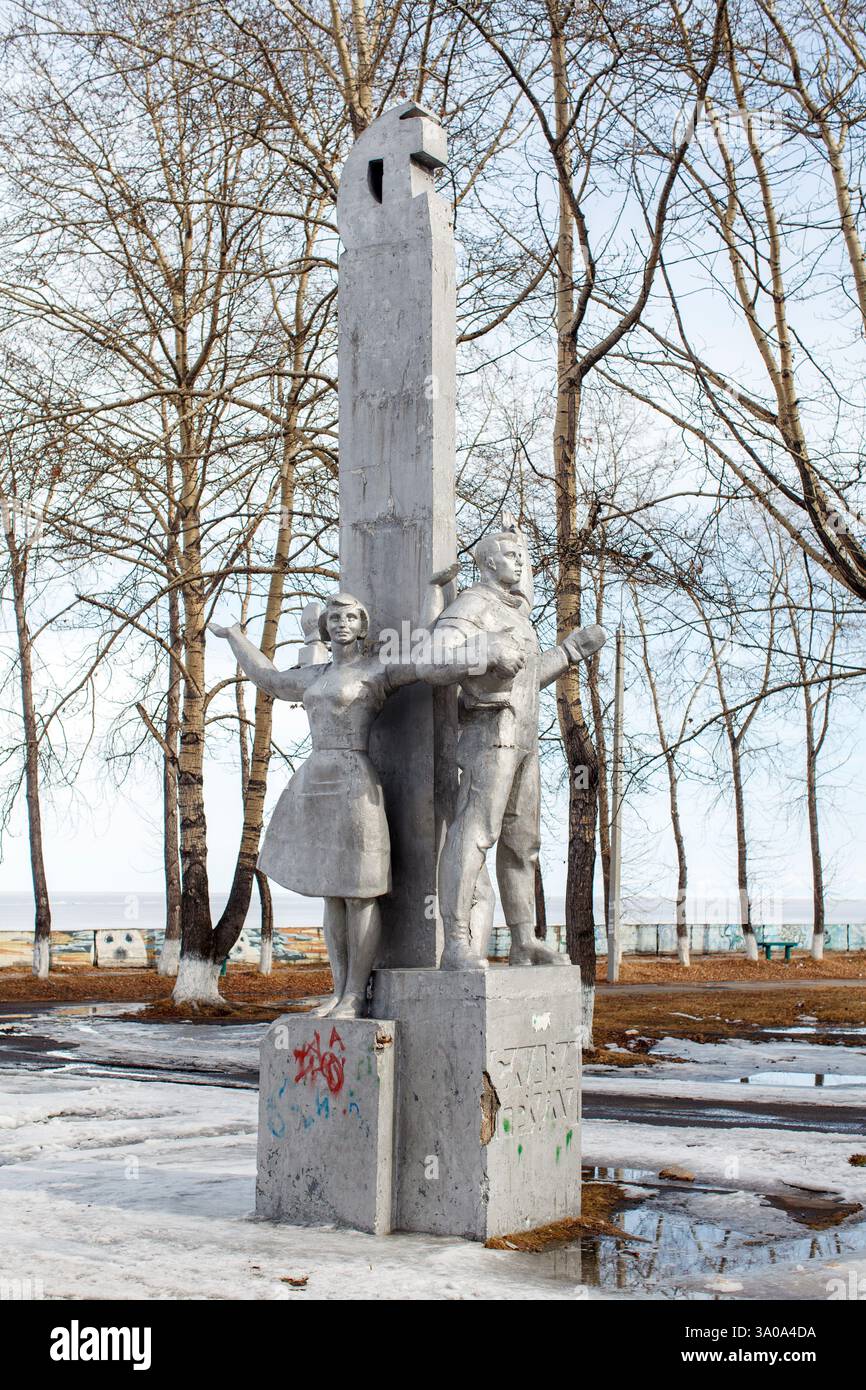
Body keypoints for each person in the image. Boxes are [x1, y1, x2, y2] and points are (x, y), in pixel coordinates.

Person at [209, 588, 521, 1014]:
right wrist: (234, 637)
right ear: (325, 627)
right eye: (334, 619)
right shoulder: (313, 675)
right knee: (331, 893)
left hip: (357, 782)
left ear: (362, 627)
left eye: (350, 618)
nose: (341, 624)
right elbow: (270, 679)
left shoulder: (378, 668)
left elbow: (429, 666)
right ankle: (338, 991)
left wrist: (483, 649)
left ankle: (355, 994)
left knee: (360, 892)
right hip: (316, 781)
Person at [432, 525, 607, 970]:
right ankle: (456, 941)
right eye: (511, 554)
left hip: (524, 735)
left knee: (522, 844)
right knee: (475, 833)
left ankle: (523, 939)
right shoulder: (472, 605)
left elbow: (525, 676)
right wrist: (485, 649)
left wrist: (569, 651)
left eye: (522, 555)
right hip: (488, 732)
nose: (520, 561)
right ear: (488, 562)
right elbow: (434, 661)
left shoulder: (516, 613)